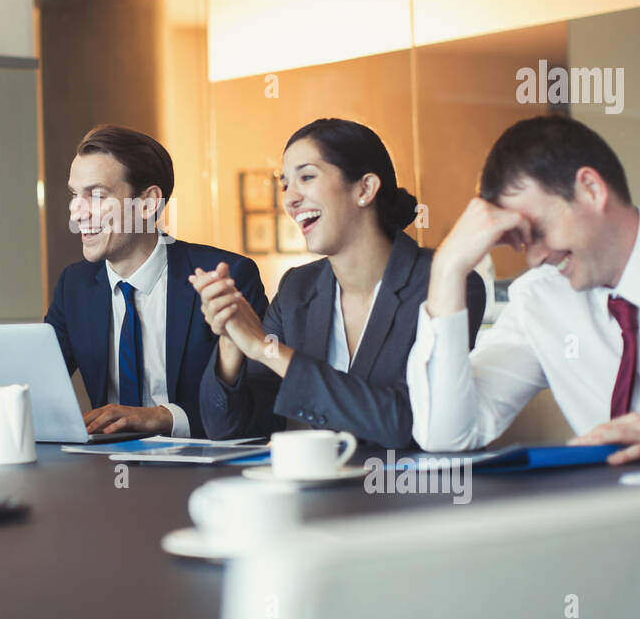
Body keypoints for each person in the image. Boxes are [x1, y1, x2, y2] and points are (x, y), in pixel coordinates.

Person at [409, 115, 640, 463]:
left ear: (591, 189)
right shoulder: (540, 299)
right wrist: (447, 269)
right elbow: (448, 435)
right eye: (521, 242)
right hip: (620, 520)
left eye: (538, 230)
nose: (534, 259)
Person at [194, 119, 485, 444]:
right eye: (285, 184)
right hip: (326, 489)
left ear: (364, 188)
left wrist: (264, 348)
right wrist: (232, 336)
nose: (290, 199)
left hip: (414, 490)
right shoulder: (297, 289)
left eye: (306, 177)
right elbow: (230, 429)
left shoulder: (445, 284)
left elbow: (410, 423)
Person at [45, 125, 267, 438]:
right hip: (104, 471)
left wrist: (161, 418)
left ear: (148, 203)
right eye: (74, 196)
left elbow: (260, 413)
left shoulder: (227, 275)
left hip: (199, 472)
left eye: (95, 196)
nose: (77, 213)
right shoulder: (74, 286)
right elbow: (36, 386)